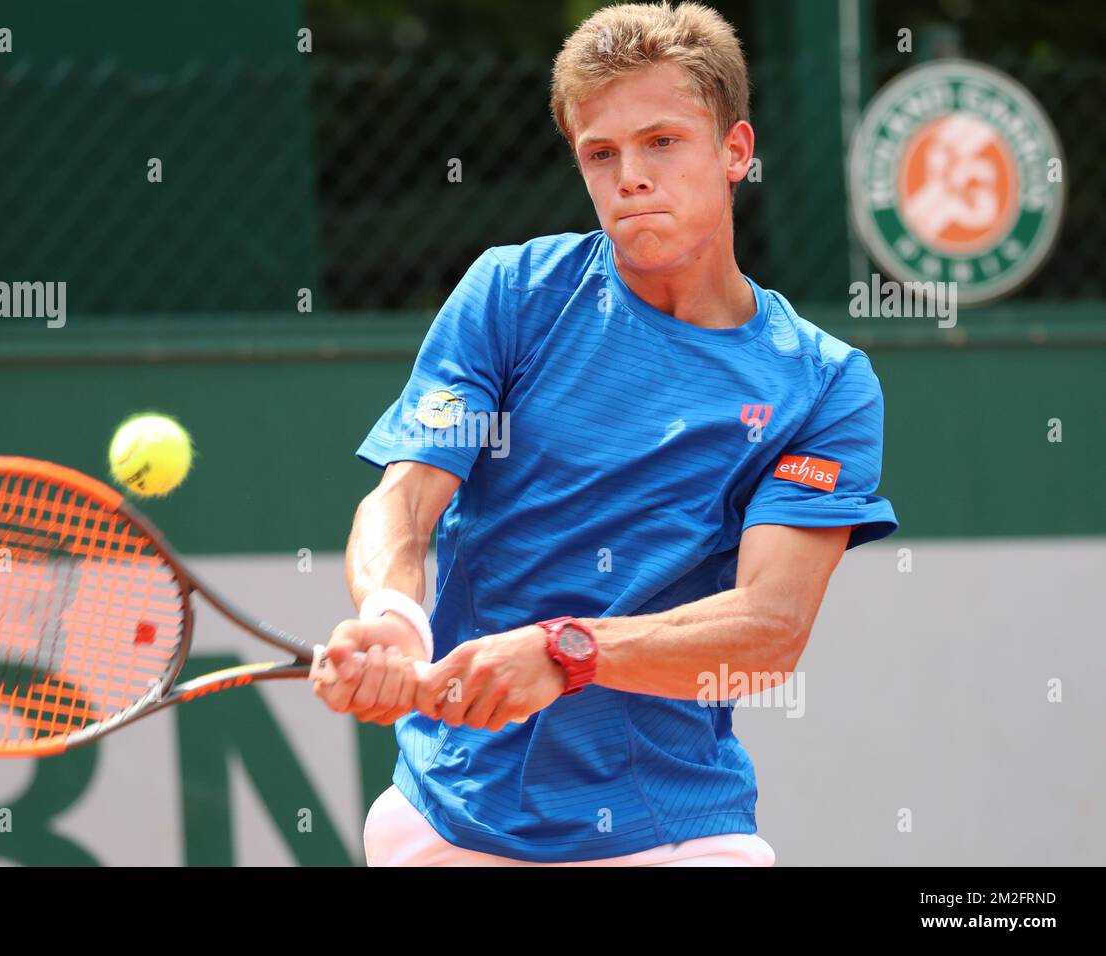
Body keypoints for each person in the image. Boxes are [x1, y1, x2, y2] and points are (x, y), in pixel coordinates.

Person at [314, 0, 897, 866]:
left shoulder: (821, 385)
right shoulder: (513, 294)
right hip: (448, 822)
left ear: (735, 151)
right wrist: (394, 614)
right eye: (602, 153)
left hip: (675, 830)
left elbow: (770, 627)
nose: (631, 176)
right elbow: (405, 501)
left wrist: (567, 651)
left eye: (662, 141)